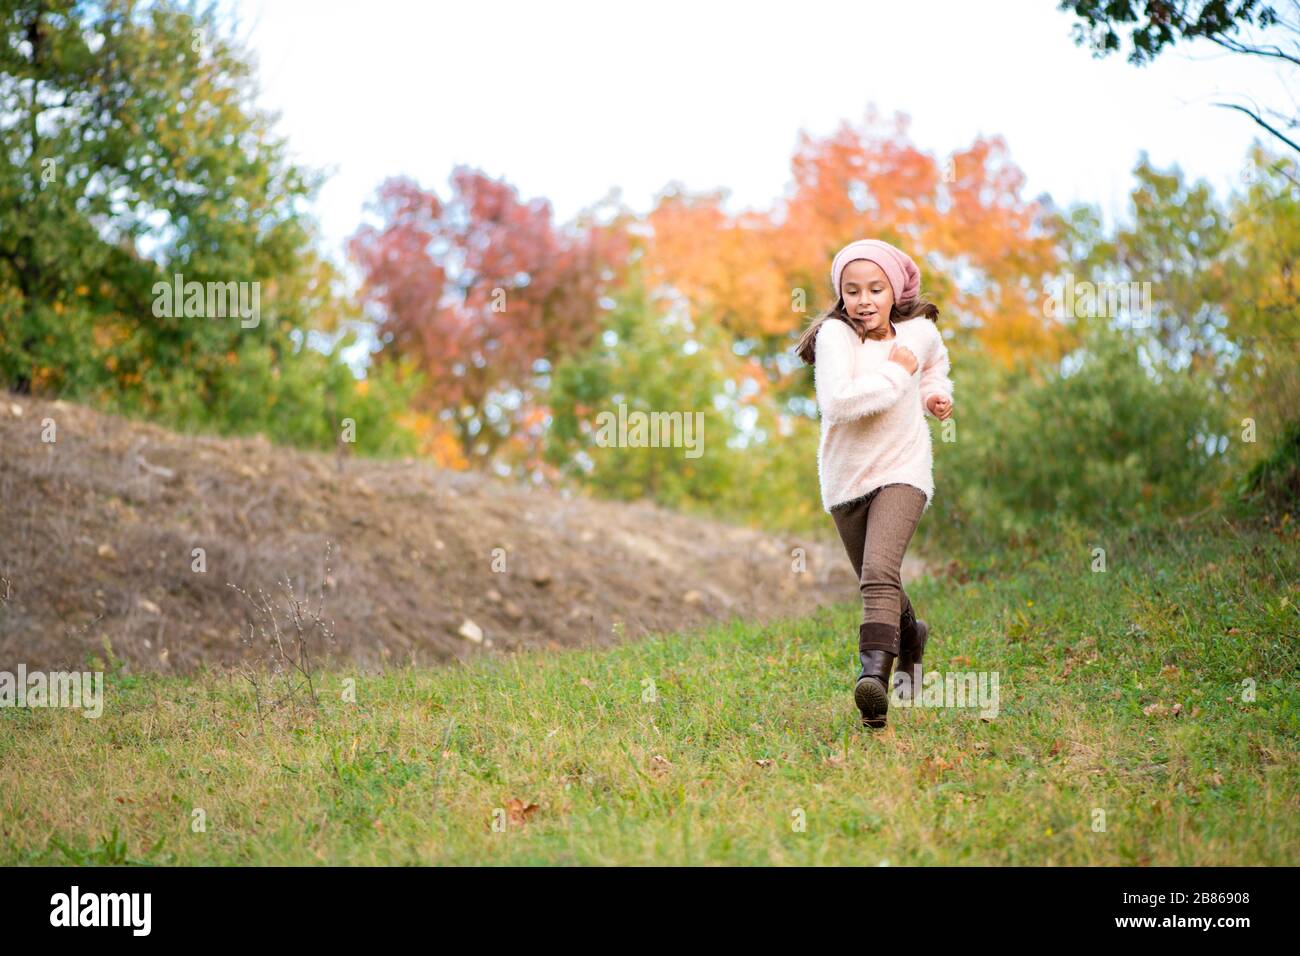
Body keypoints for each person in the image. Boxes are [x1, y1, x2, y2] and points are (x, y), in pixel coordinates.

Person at [793, 238, 954, 728]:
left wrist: (935, 395)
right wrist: (896, 373)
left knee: (877, 575)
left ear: (895, 291)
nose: (864, 299)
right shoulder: (834, 338)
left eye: (875, 289)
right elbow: (840, 403)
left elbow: (935, 369)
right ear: (841, 295)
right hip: (846, 480)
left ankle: (873, 684)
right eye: (852, 290)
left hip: (904, 470)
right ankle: (911, 634)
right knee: (877, 576)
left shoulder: (920, 334)